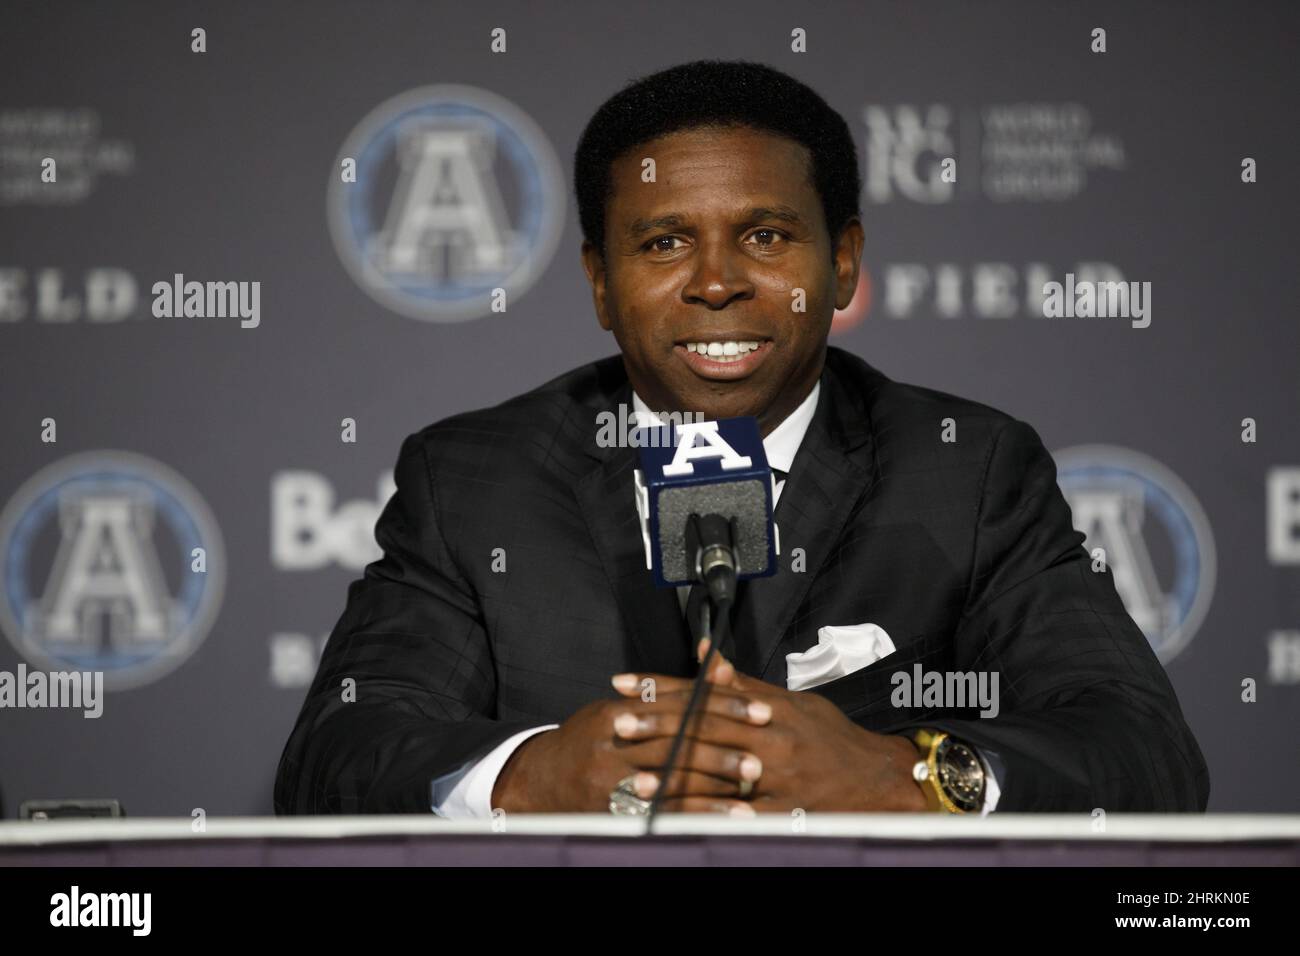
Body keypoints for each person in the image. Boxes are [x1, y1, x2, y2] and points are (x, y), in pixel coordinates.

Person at [274, 60, 1209, 817]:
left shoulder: (966, 468)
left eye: (764, 237)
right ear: (601, 284)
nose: (715, 283)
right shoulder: (474, 480)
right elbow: (338, 754)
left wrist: (909, 778)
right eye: (663, 244)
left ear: (841, 264)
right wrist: (533, 777)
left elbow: (1141, 751)